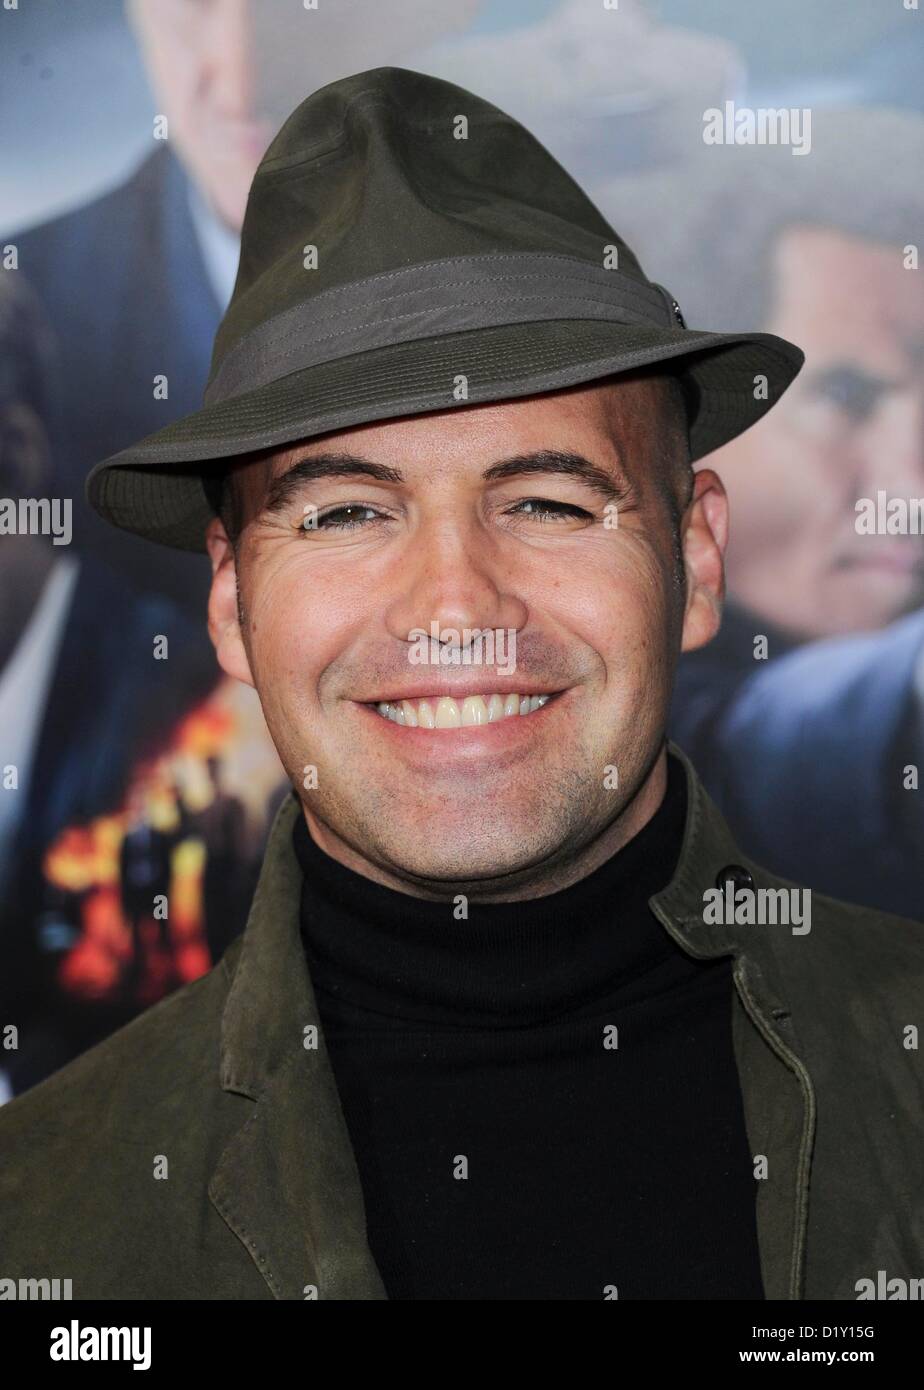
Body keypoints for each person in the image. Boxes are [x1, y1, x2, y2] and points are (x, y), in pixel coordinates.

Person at [0, 67, 921, 1302]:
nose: (453, 604)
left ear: (696, 556)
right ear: (228, 599)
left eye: (545, 500)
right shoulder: (40, 1223)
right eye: (343, 513)